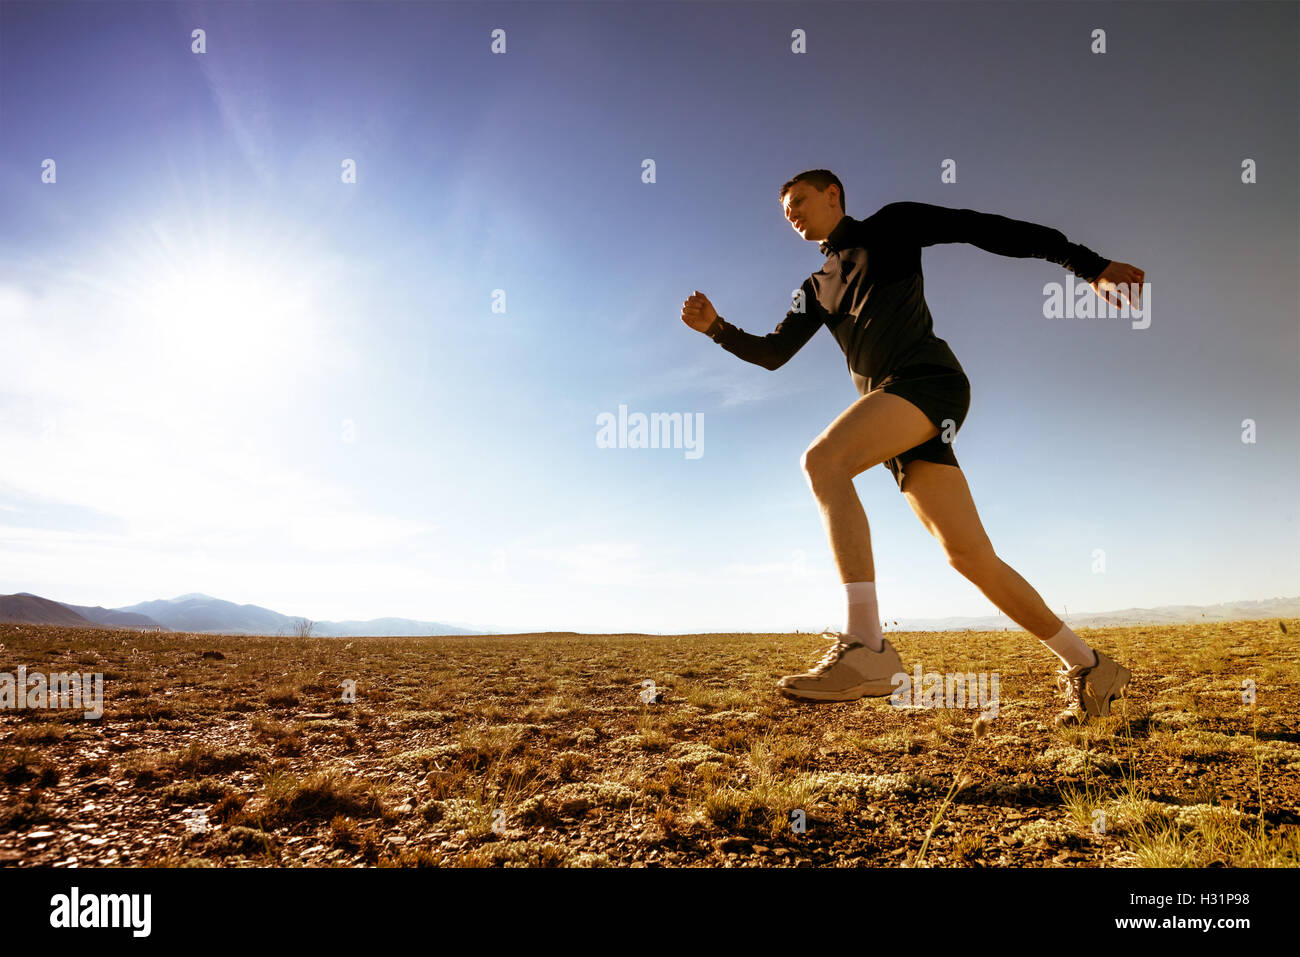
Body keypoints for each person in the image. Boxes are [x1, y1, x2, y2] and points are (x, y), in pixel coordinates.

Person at [680, 169, 1141, 725]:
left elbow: (983, 228)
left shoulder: (892, 226)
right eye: (785, 212)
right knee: (969, 556)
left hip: (925, 382)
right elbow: (774, 353)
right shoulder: (816, 286)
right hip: (901, 417)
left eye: (799, 201)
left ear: (833, 195)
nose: (792, 215)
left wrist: (1084, 264)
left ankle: (867, 645)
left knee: (824, 461)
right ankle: (1090, 666)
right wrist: (716, 328)